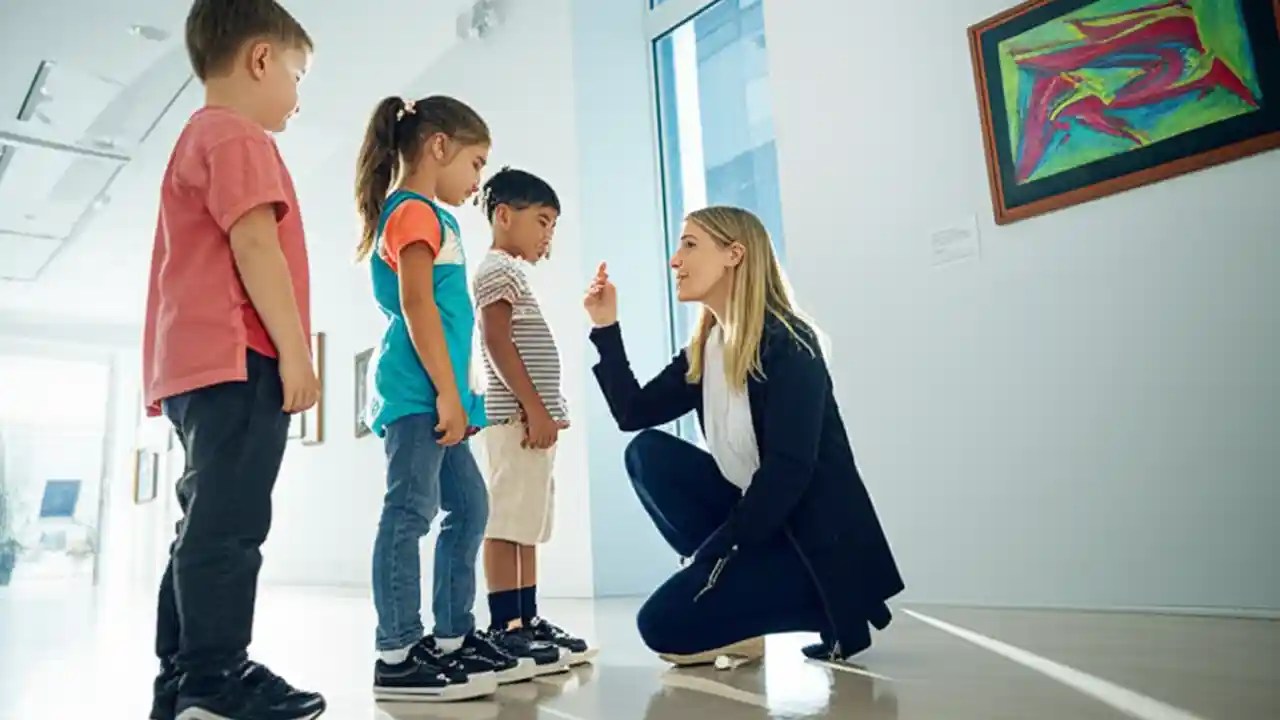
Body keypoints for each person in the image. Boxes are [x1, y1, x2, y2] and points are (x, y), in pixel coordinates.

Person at [582, 206, 904, 668]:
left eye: (690, 244)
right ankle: (741, 598)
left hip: (807, 544)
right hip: (758, 522)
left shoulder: (790, 342)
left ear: (734, 254)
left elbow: (789, 470)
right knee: (647, 453)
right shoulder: (707, 349)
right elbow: (633, 413)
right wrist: (605, 326)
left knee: (659, 625)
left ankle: (823, 602)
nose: (675, 260)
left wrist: (714, 553)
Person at [141, 1, 326, 718]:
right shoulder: (237, 136)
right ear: (260, 59)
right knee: (232, 526)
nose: (297, 97)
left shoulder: (196, 137)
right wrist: (296, 354)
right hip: (239, 355)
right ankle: (216, 681)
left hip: (194, 366)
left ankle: (182, 678)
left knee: (203, 524)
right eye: (296, 75)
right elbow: (255, 245)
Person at [354, 95, 532, 702]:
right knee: (409, 513)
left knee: (470, 508)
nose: (478, 180)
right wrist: (448, 397)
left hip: (443, 397)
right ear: (438, 147)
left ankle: (453, 637)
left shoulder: (433, 217)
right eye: (476, 163)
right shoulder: (411, 211)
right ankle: (397, 652)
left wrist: (461, 400)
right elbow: (418, 306)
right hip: (419, 396)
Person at [473, 168, 597, 668]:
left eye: (553, 226)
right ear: (504, 216)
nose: (548, 236)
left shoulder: (512, 273)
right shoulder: (496, 271)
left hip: (530, 423)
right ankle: (505, 625)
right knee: (507, 522)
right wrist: (534, 407)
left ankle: (526, 618)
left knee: (527, 523)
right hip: (515, 421)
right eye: (542, 221)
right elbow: (496, 341)